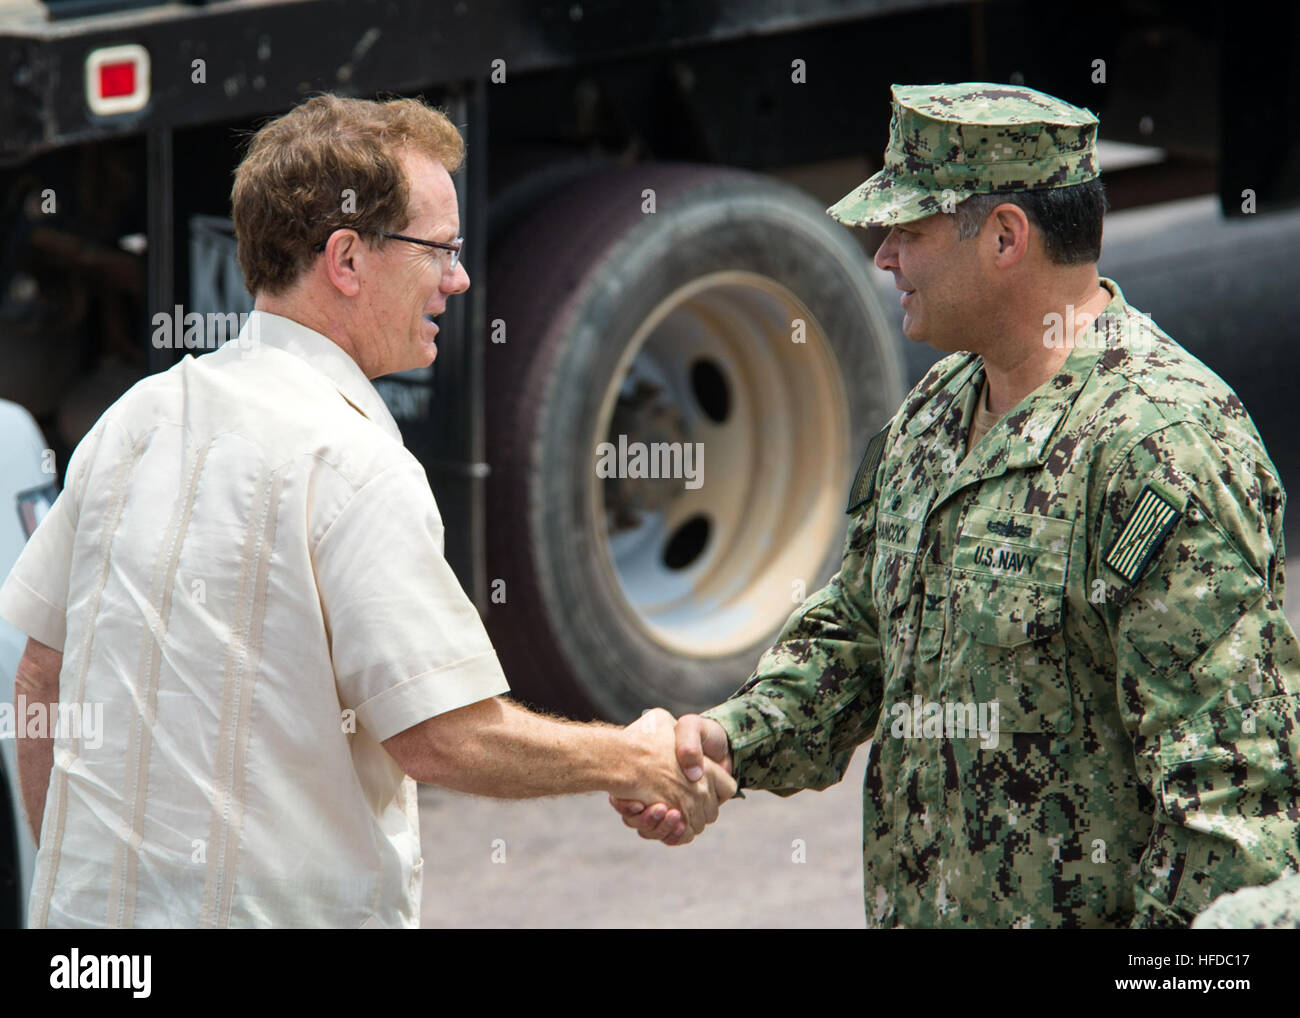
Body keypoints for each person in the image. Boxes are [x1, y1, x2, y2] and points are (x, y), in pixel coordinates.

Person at [0, 94, 734, 929]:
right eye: (440, 250)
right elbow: (441, 735)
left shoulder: (133, 419)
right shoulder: (350, 460)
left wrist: (68, 902)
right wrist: (631, 757)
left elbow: (40, 680)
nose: (458, 278)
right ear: (346, 259)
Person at [613, 82, 1300, 928]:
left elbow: (1231, 803)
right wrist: (731, 741)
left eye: (909, 230)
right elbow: (864, 632)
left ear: (1005, 237)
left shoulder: (1162, 448)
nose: (884, 257)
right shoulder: (938, 409)